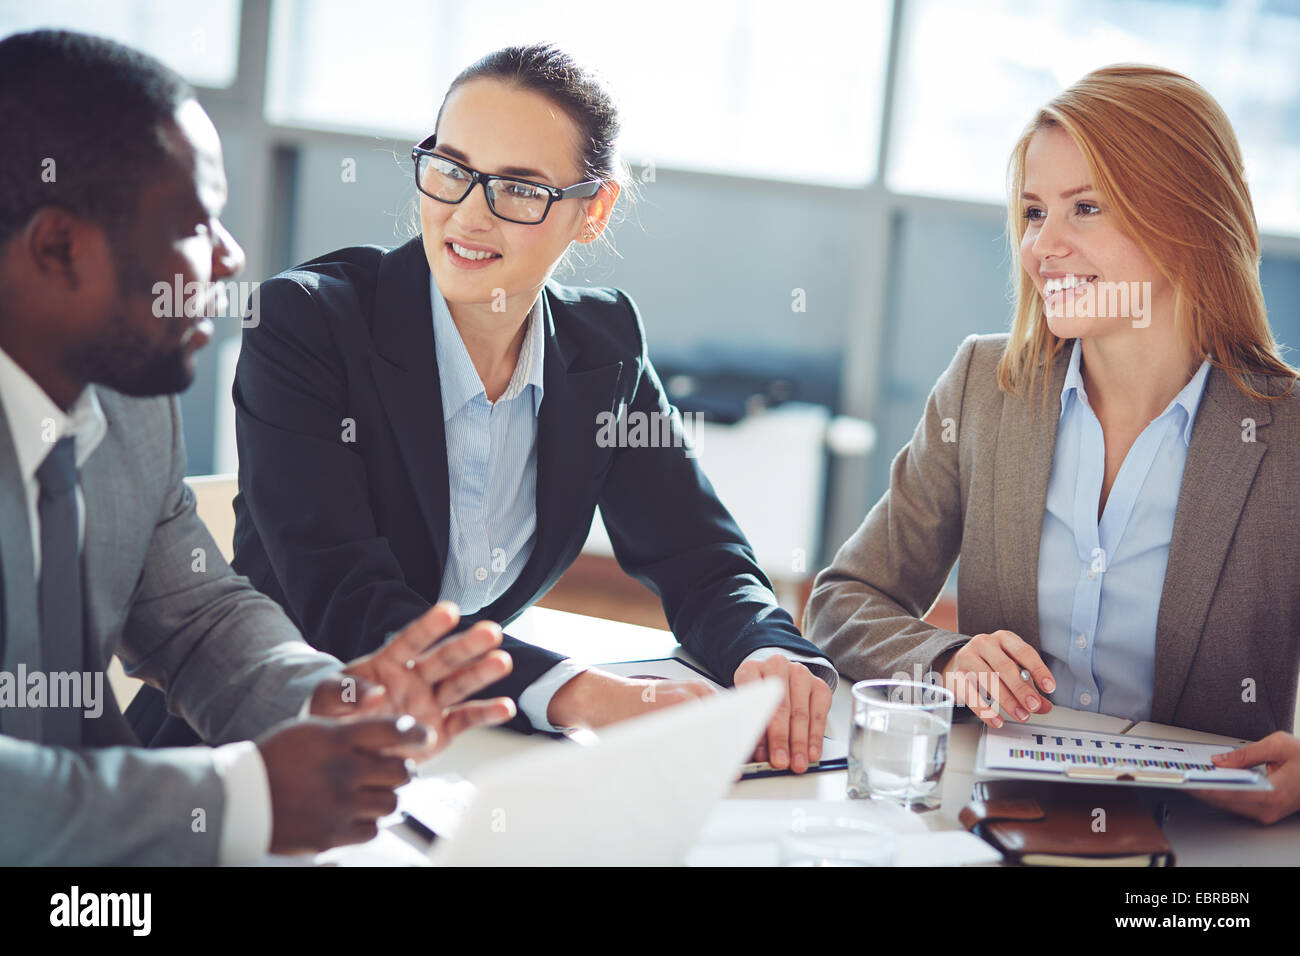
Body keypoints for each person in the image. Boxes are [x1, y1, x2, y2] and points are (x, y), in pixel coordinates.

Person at [131, 44, 834, 773]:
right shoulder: (309, 325)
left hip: (459, 756)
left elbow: (701, 555)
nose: (468, 215)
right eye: (451, 170)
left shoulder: (604, 350)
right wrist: (576, 692)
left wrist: (766, 647)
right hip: (262, 754)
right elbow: (343, 603)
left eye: (520, 189)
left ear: (592, 210)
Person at [0, 29, 516, 865]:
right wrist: (237, 798)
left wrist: (329, 698)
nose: (231, 258)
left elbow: (197, 620)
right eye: (194, 226)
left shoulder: (130, 407)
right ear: (60, 247)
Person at [805, 65, 1300, 819]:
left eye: (1087, 208)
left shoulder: (1284, 433)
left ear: (1189, 220)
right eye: (1034, 212)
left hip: (1203, 840)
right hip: (996, 818)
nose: (1043, 246)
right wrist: (944, 660)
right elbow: (845, 599)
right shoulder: (984, 385)